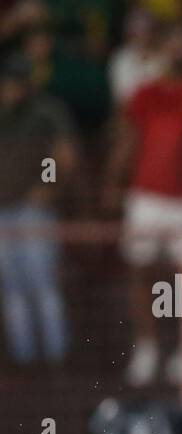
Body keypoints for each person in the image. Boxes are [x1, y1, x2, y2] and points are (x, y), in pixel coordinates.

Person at [103, 22, 182, 394]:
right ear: (161, 51)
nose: (179, 51)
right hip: (146, 196)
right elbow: (129, 140)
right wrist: (113, 181)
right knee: (140, 270)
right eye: (172, 45)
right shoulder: (144, 94)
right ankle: (147, 345)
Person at [0, 52, 75, 367]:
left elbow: (65, 156)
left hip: (34, 211)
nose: (12, 88)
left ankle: (57, 360)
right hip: (2, 211)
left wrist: (49, 188)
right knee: (12, 289)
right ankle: (25, 361)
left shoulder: (46, 111)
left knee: (43, 286)